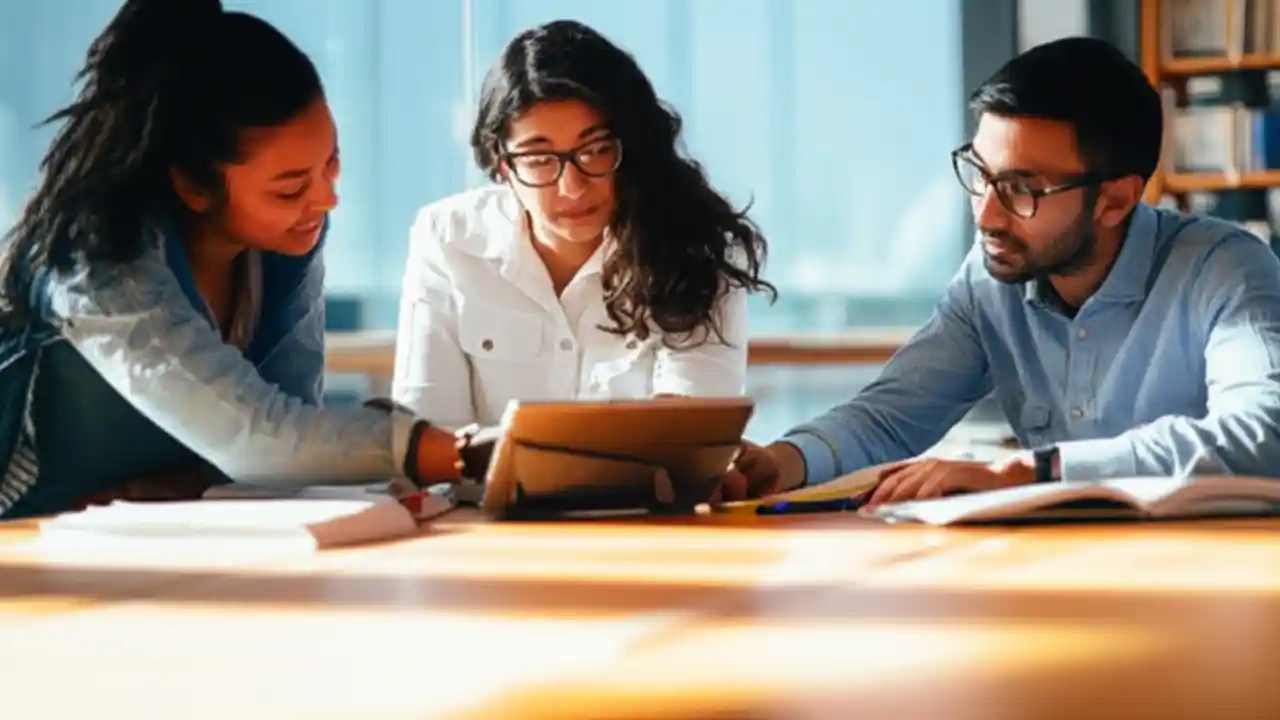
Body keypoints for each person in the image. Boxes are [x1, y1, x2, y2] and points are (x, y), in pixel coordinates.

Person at [722, 36, 1280, 506]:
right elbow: (891, 417)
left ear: (1115, 199)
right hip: (1059, 573)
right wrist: (782, 461)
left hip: (1214, 583)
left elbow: (1262, 435)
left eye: (1020, 189)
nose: (986, 213)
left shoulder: (1225, 269)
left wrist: (1033, 471)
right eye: (980, 175)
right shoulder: (991, 280)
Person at [0, 0, 470, 519]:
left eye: (330, 162)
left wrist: (201, 479)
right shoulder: (99, 263)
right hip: (26, 543)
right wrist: (458, 453)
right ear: (193, 186)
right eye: (290, 189)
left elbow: (289, 434)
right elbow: (263, 442)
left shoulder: (284, 243)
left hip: (154, 541)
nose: (325, 200)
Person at [391, 20, 775, 428]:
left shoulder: (695, 247)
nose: (572, 187)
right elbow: (428, 435)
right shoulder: (448, 239)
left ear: (632, 146)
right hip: (481, 494)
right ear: (503, 165)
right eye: (539, 160)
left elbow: (688, 443)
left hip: (647, 494)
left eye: (594, 150)